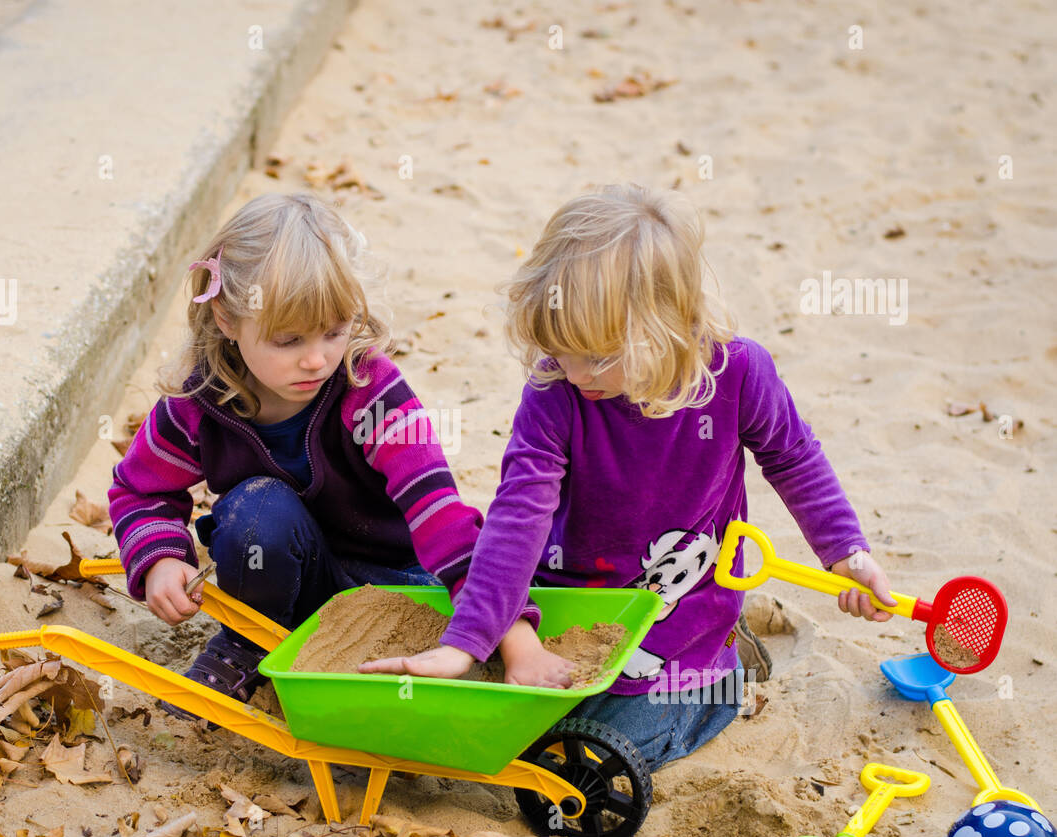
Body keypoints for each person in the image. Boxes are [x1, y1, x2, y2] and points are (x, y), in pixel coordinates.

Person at [360, 184, 896, 771]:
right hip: (572, 594)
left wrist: (845, 551)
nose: (576, 372)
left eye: (598, 356)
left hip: (681, 609)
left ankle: (726, 664)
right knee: (505, 721)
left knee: (593, 752)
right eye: (561, 351)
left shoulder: (739, 373)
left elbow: (794, 457)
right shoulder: (555, 389)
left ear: (670, 326)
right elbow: (520, 511)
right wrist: (468, 643)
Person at [109, 193, 482, 714]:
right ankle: (247, 643)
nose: (316, 358)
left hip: (392, 591)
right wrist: (160, 558)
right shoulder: (199, 403)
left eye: (334, 331)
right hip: (281, 593)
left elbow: (434, 502)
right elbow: (139, 489)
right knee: (257, 511)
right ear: (227, 318)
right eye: (288, 340)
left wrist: (482, 611)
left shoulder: (368, 386)